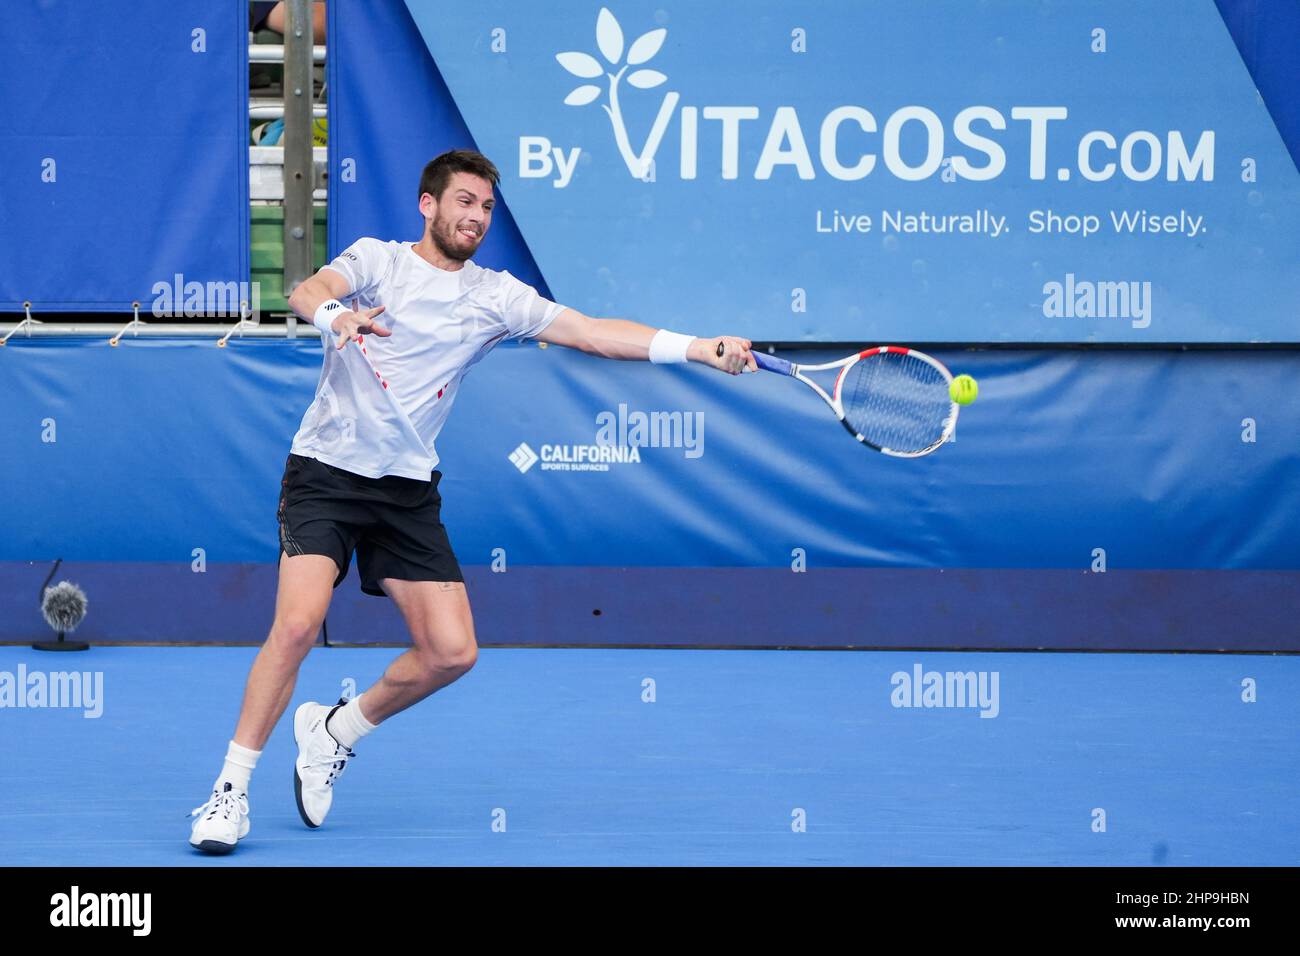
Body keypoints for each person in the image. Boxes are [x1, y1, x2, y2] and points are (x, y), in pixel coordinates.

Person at [188, 148, 756, 853]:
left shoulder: (493, 294)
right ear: (428, 205)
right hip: (326, 474)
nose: (476, 218)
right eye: (464, 202)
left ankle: (335, 729)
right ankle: (229, 791)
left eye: (486, 208)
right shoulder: (379, 260)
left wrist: (697, 347)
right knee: (299, 626)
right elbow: (309, 288)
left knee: (452, 652)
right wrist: (337, 317)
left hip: (405, 491)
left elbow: (589, 333)